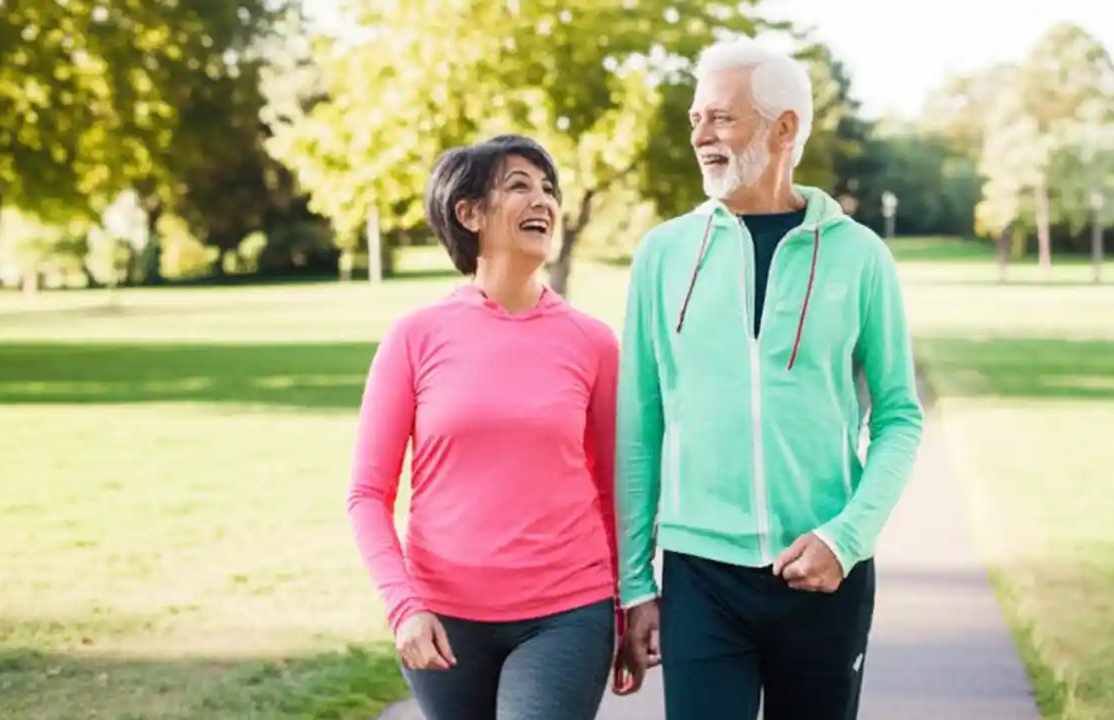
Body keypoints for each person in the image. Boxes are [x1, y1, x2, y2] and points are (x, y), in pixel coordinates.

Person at [614, 38, 924, 719]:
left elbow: (900, 415)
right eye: (697, 118)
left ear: (784, 128)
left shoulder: (861, 256)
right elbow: (639, 427)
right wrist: (635, 582)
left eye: (721, 117)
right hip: (700, 575)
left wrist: (847, 538)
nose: (701, 135)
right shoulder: (663, 255)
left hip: (824, 572)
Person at [346, 134, 632, 720]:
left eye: (549, 188)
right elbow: (367, 495)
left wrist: (628, 604)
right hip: (446, 619)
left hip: (567, 613)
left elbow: (615, 491)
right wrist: (403, 606)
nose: (543, 201)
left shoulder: (593, 343)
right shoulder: (414, 337)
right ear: (469, 212)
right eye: (520, 185)